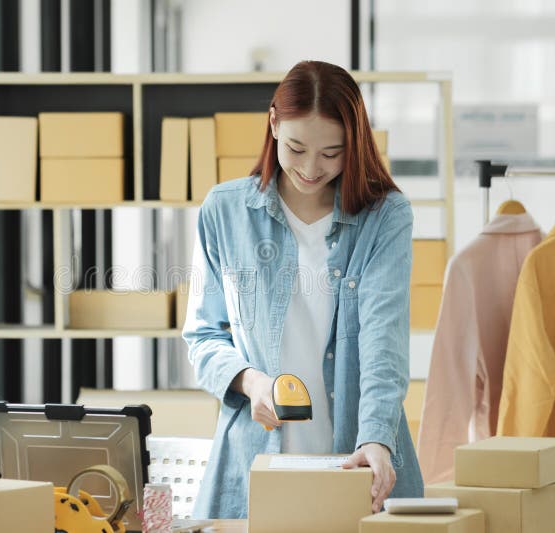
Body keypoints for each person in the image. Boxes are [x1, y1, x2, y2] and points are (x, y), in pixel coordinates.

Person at [182, 60, 424, 519]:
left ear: (354, 143)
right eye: (296, 148)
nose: (312, 169)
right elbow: (203, 337)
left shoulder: (385, 217)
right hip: (254, 464)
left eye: (332, 153)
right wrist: (252, 383)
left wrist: (375, 438)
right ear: (273, 124)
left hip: (358, 460)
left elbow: (383, 341)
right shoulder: (224, 211)